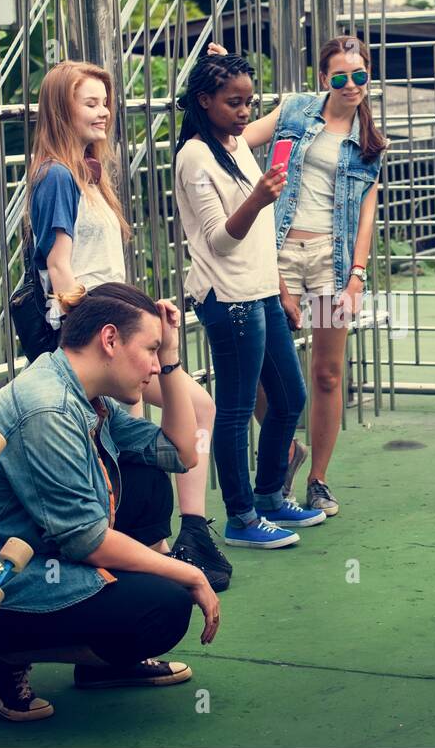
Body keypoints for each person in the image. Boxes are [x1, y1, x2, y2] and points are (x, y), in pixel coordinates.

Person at [0, 284, 218, 720]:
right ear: (109, 340)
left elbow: (181, 452)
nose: (153, 365)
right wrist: (187, 573)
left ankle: (101, 667)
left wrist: (171, 359)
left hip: (41, 551)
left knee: (148, 480)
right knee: (163, 605)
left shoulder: (83, 392)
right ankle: (2, 651)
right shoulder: (48, 408)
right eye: (149, 350)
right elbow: (86, 541)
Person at [26, 60, 229, 590]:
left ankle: (191, 532)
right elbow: (60, 271)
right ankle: (141, 564)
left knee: (196, 410)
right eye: (88, 102)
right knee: (124, 456)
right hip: (99, 340)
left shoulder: (90, 175)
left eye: (104, 101)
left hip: (119, 330)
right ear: (60, 109)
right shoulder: (56, 176)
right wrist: (101, 334)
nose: (102, 111)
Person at [207, 36, 386, 517]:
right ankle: (285, 446)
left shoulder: (370, 142)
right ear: (324, 78)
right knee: (265, 368)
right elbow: (236, 137)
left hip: (332, 260)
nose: (351, 86)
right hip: (279, 253)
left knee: (327, 374)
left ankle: (318, 479)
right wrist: (223, 73)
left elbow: (366, 213)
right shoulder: (294, 111)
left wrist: (356, 276)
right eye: (340, 77)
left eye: (360, 76)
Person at [173, 52, 326, 549]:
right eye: (233, 102)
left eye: (248, 102)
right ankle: (240, 517)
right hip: (228, 296)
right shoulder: (195, 155)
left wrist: (280, 287)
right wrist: (258, 198)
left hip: (260, 290)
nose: (243, 112)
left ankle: (267, 497)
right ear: (205, 102)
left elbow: (258, 235)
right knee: (236, 411)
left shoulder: (234, 142)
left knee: (290, 397)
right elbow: (219, 239)